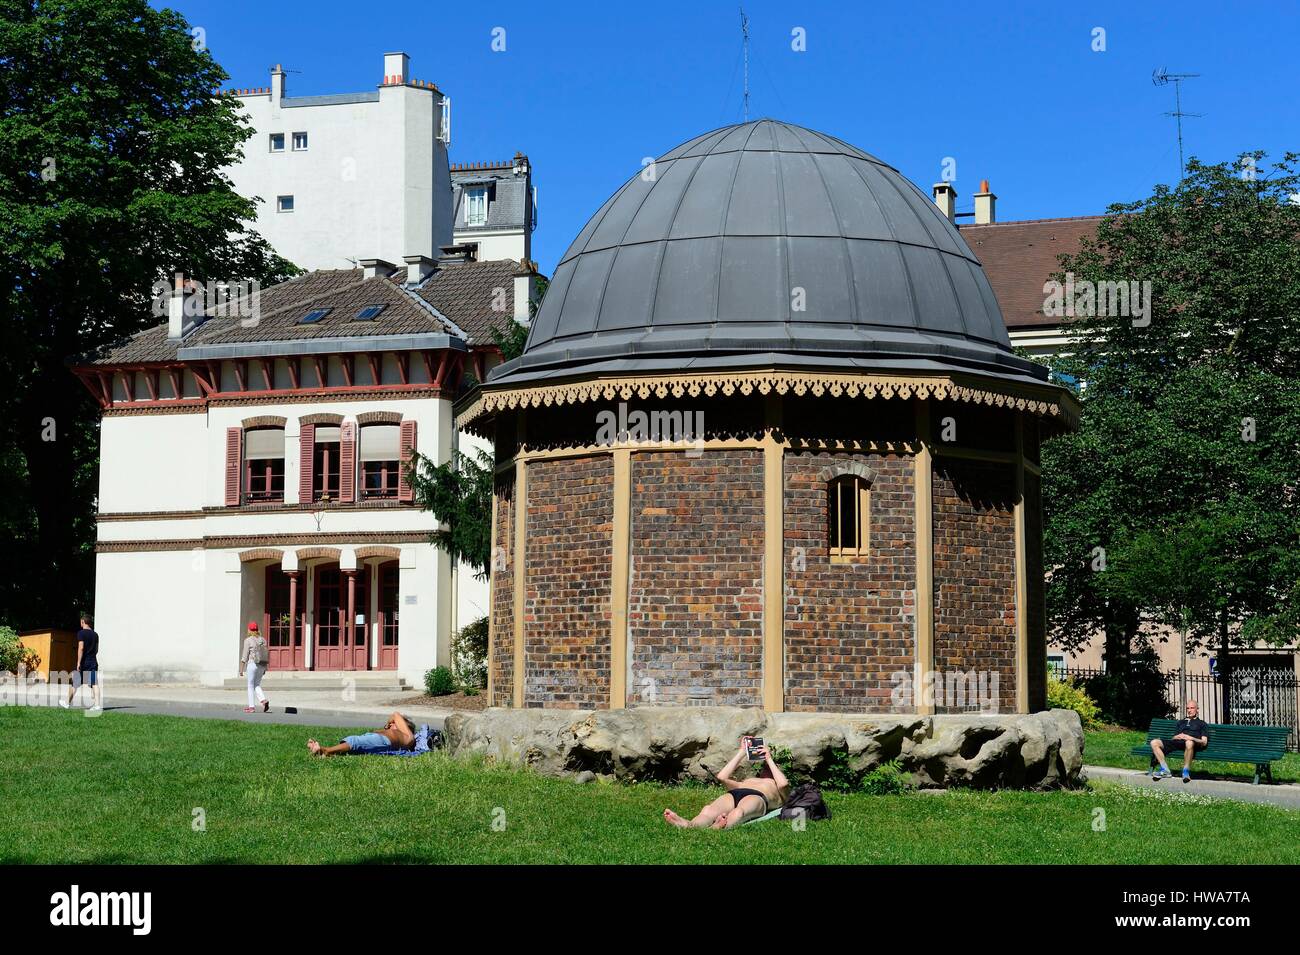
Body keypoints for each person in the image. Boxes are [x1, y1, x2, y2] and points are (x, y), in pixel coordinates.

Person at [664, 736, 790, 829]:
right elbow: (722, 777)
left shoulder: (778, 788)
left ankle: (718, 827)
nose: (766, 767)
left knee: (738, 812)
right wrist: (741, 752)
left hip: (757, 797)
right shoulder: (749, 780)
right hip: (736, 793)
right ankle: (689, 824)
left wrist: (769, 759)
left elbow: (783, 784)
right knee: (708, 810)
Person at [308, 712, 435, 757]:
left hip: (383, 741)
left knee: (355, 742)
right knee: (356, 746)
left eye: (393, 724)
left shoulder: (408, 737)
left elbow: (396, 714)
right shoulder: (402, 736)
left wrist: (388, 724)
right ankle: (330, 753)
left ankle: (325, 751)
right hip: (380, 740)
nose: (391, 725)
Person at [1151, 699, 1209, 782]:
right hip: (1178, 743)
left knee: (1189, 743)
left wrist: (1191, 738)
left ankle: (1185, 772)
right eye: (1188, 708)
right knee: (1154, 742)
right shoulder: (1181, 722)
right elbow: (1174, 737)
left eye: (1192, 708)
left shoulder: (1202, 723)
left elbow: (1204, 742)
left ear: (1197, 709)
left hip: (1192, 744)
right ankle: (1165, 770)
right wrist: (1176, 736)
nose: (1189, 710)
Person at [60, 613, 101, 712]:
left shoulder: (81, 633)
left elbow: (81, 648)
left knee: (75, 683)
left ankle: (67, 703)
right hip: (93, 661)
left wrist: (78, 662)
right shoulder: (95, 635)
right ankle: (97, 705)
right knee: (94, 683)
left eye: (81, 622)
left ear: (83, 622)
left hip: (84, 663)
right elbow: (96, 650)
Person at [239, 621, 271, 713]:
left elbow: (244, 656)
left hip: (252, 663)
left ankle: (251, 707)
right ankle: (263, 700)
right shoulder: (263, 640)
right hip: (262, 664)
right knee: (256, 684)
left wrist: (241, 669)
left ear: (249, 630)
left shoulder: (248, 640)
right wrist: (265, 668)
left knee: (250, 685)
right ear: (257, 630)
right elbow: (265, 654)